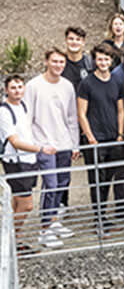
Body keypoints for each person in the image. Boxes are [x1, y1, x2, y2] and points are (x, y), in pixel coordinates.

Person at [25, 48, 80, 248]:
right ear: (47, 61)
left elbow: (72, 117)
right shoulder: (34, 86)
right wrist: (35, 146)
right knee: (51, 184)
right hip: (44, 144)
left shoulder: (67, 86)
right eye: (55, 61)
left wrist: (74, 144)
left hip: (64, 143)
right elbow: (27, 118)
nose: (58, 65)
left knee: (62, 183)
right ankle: (44, 230)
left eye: (61, 62)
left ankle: (54, 221)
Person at [77, 43, 124, 234]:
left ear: (111, 60)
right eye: (100, 58)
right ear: (95, 60)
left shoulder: (117, 81)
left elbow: (121, 109)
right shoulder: (87, 83)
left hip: (114, 138)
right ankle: (98, 218)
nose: (103, 62)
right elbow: (81, 113)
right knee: (96, 180)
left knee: (108, 178)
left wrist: (120, 134)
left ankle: (104, 215)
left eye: (106, 59)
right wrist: (90, 137)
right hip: (95, 140)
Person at [1, 74, 54, 252]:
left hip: (28, 159)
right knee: (27, 204)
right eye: (13, 87)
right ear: (6, 90)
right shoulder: (4, 112)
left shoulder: (23, 105)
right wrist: (40, 149)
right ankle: (8, 240)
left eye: (20, 87)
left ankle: (14, 240)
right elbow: (15, 141)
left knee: (17, 201)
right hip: (16, 161)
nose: (17, 90)